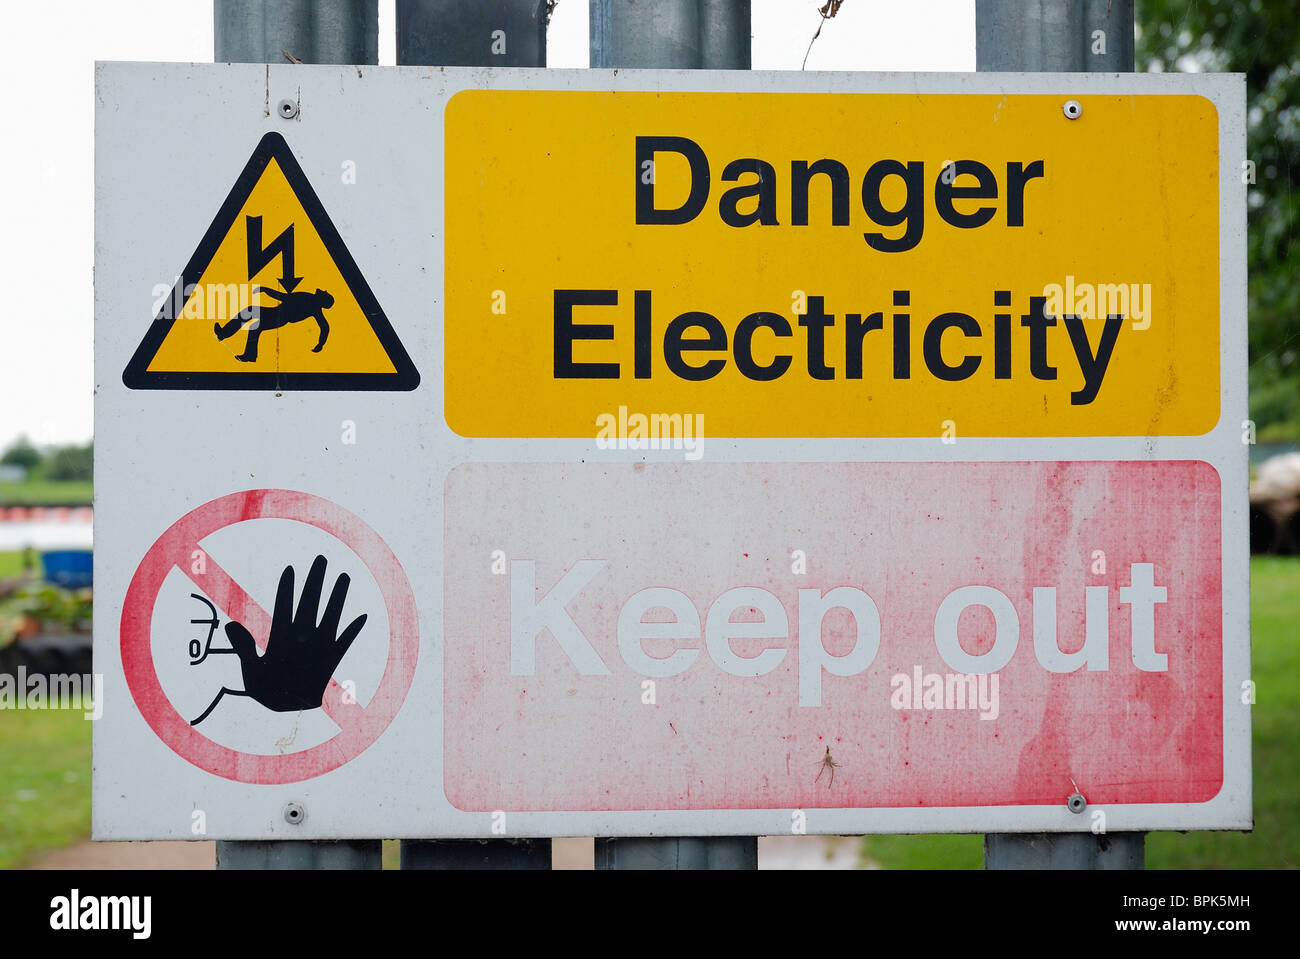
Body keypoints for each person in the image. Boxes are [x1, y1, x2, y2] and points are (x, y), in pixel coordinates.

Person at [213, 286, 334, 362]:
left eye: (325, 293)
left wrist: (321, 344)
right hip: (276, 312)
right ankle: (226, 335)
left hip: (279, 317)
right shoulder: (311, 302)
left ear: (322, 300)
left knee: (254, 326)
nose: (323, 290)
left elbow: (282, 297)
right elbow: (325, 327)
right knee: (250, 313)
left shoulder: (311, 303)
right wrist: (320, 344)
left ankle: (247, 353)